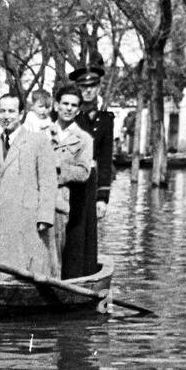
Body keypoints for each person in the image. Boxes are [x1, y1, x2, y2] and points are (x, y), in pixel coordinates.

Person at [0, 92, 62, 280]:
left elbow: (48, 182)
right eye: (2, 111)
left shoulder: (38, 141)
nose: (6, 116)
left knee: (30, 271)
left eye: (11, 111)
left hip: (28, 222)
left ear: (21, 113)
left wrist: (45, 217)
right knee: (0, 273)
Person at [67, 62, 114, 278]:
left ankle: (84, 278)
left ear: (98, 88)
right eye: (83, 87)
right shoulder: (68, 117)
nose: (87, 91)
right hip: (69, 179)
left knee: (88, 233)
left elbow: (105, 160)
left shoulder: (105, 120)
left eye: (92, 86)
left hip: (91, 182)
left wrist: (103, 197)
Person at [50, 83, 94, 270]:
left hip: (59, 201)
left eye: (73, 105)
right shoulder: (42, 133)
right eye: (65, 103)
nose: (68, 108)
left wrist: (60, 167)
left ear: (78, 111)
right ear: (56, 105)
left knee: (55, 252)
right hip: (34, 198)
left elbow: (84, 172)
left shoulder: (84, 139)